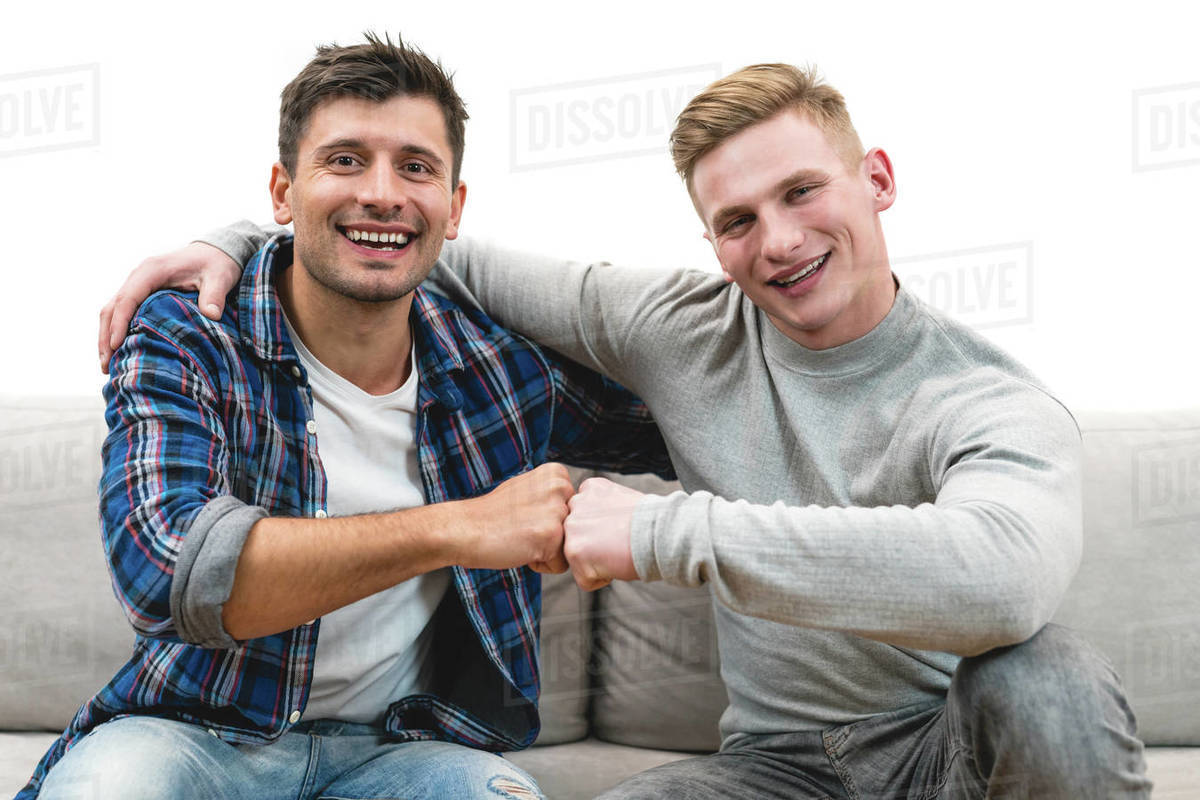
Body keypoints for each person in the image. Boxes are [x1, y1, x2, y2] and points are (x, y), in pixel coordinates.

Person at [99, 63, 1153, 797]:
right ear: (710, 239)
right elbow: (408, 241)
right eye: (737, 221)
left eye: (802, 192)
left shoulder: (987, 401)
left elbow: (1000, 580)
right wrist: (236, 240)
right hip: (772, 768)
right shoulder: (681, 333)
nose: (777, 242)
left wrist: (659, 532)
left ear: (875, 178)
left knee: (1043, 675)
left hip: (942, 753)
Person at [21, 33, 674, 800]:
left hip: (404, 750)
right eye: (345, 159)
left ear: (454, 208)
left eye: (417, 167)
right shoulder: (188, 336)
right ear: (281, 192)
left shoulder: (497, 370)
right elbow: (171, 575)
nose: (383, 193)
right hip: (192, 734)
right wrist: (459, 526)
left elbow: (700, 408)